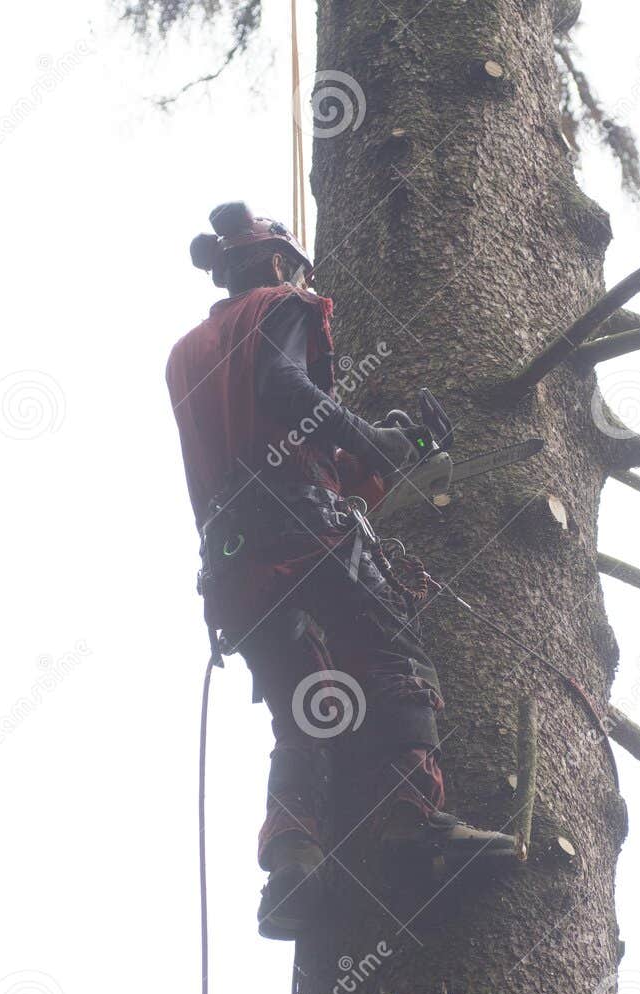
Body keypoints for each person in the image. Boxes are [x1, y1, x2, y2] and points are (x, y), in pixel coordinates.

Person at [165, 202, 515, 940]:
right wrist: (372, 439)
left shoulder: (188, 352)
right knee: (394, 660)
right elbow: (287, 395)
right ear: (276, 263)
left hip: (234, 567)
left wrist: (374, 455)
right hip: (301, 530)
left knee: (306, 710)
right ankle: (414, 833)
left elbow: (267, 442)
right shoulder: (281, 306)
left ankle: (292, 868)